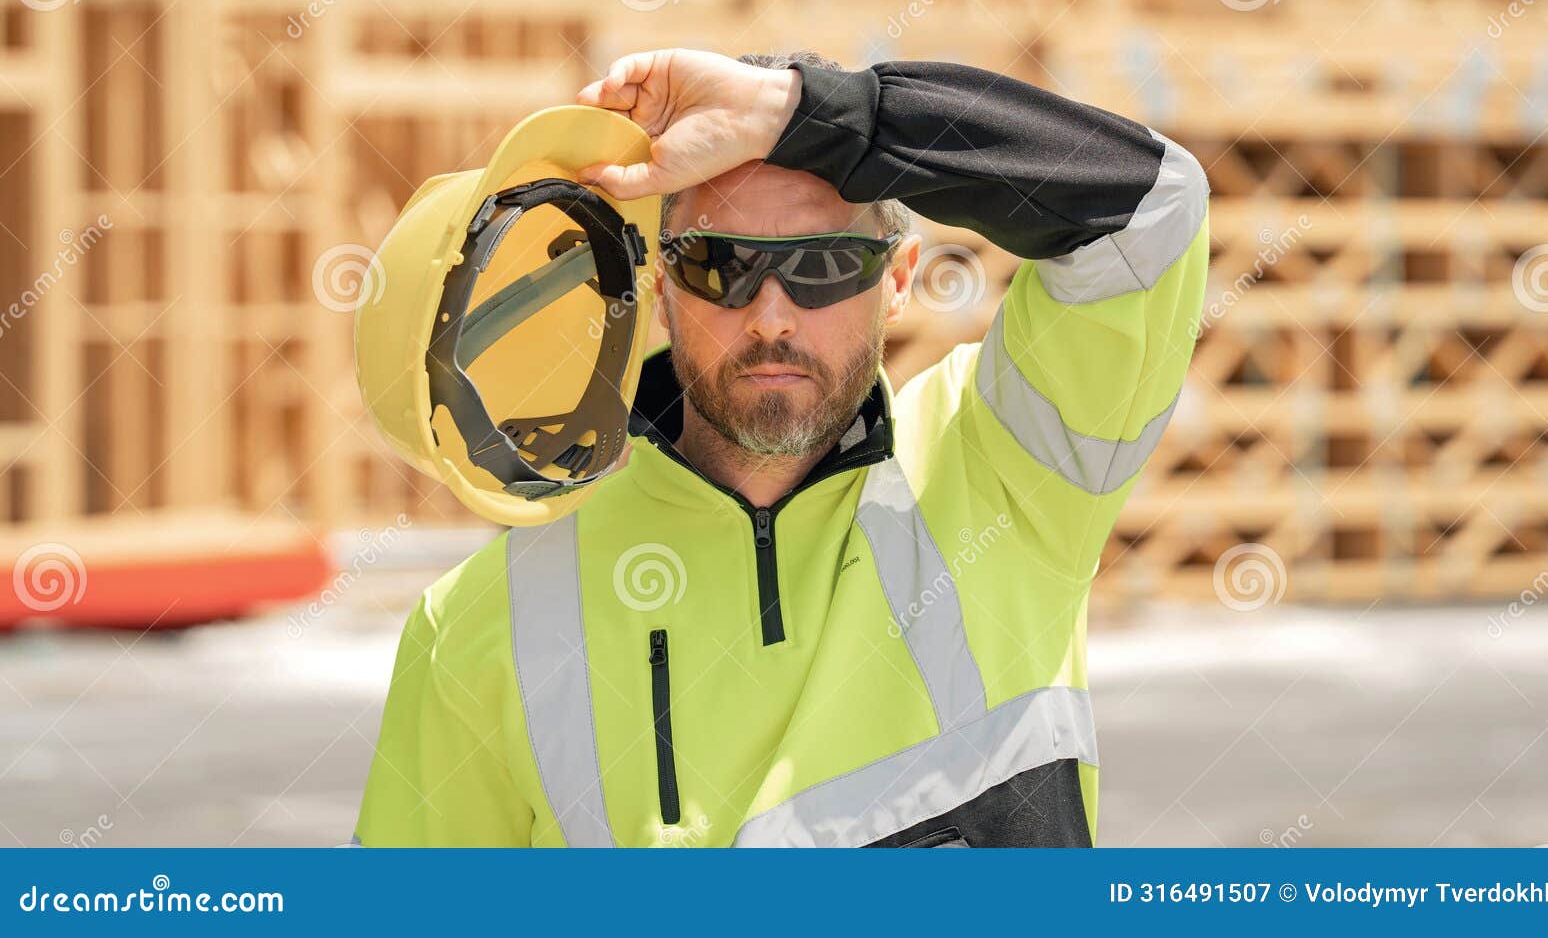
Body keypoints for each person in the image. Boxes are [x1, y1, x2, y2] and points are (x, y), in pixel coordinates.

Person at [353, 48, 1208, 847]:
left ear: (899, 279)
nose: (771, 316)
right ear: (658, 291)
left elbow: (1148, 210)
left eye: (828, 265)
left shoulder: (1010, 468)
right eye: (720, 267)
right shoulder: (481, 623)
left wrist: (799, 112)